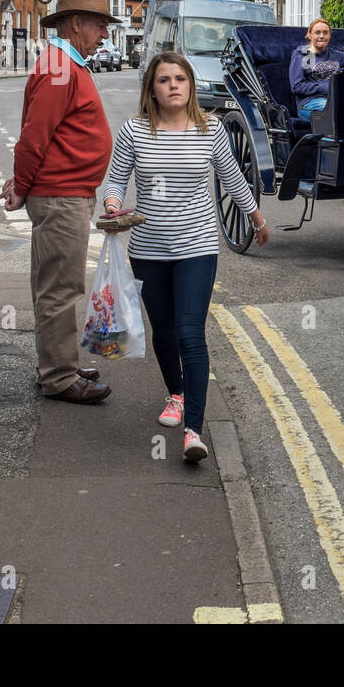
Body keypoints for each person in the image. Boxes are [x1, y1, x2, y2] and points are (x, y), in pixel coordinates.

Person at [102, 51, 269, 462]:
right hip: (148, 249)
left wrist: (256, 218)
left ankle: (194, 430)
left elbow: (231, 177)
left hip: (197, 246)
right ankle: (175, 394)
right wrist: (111, 205)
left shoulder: (210, 130)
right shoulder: (134, 131)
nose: (173, 85)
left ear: (190, 84)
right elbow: (116, 178)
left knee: (190, 332)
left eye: (180, 78)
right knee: (164, 331)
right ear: (152, 89)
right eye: (164, 80)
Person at [0, 0, 119, 405]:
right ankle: (59, 376)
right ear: (74, 24)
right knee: (60, 288)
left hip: (66, 192)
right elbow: (34, 137)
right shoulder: (59, 69)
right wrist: (21, 185)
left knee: (55, 284)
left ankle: (57, 363)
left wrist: (23, 183)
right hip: (60, 195)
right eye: (100, 25)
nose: (105, 34)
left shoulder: (64, 64)